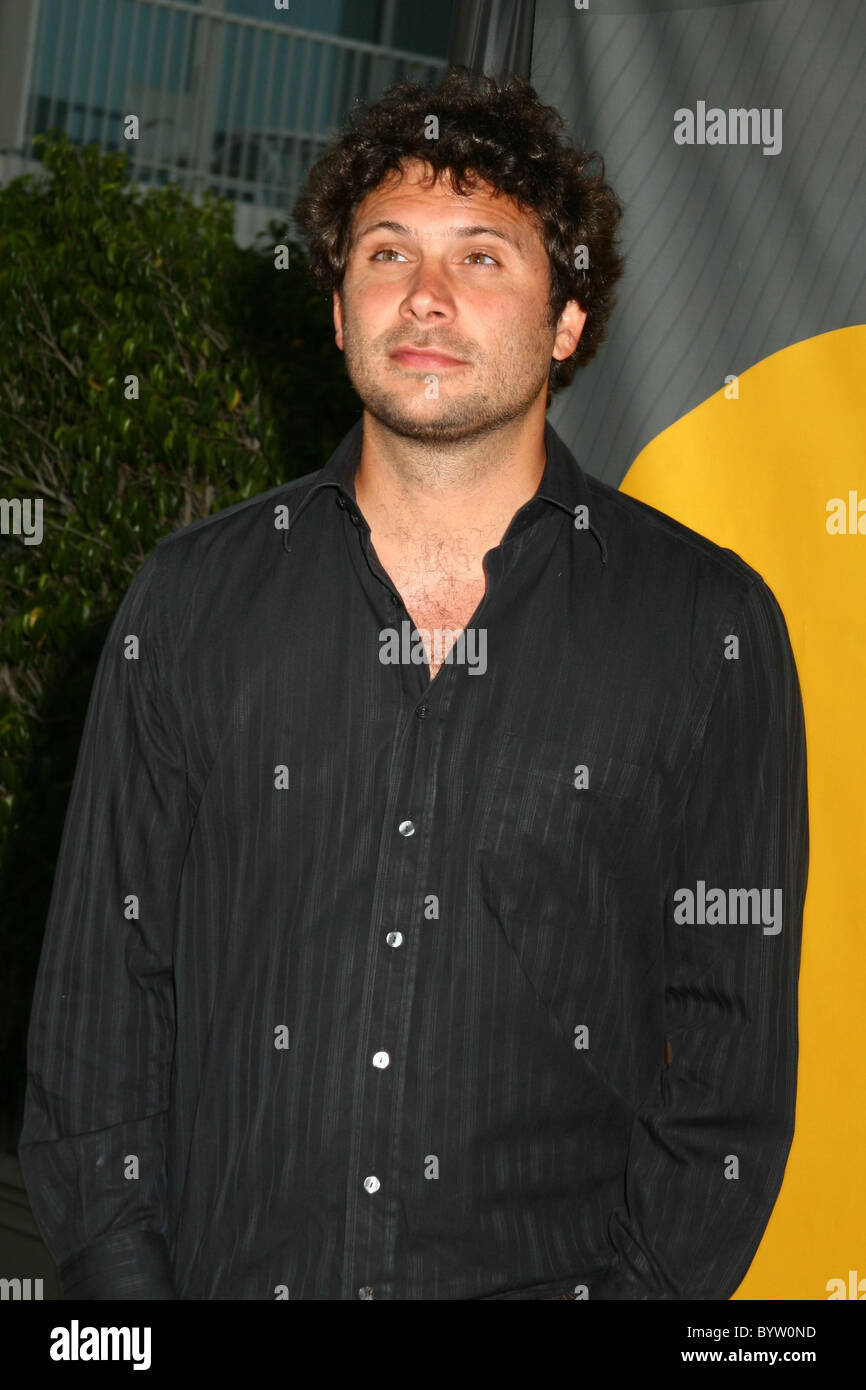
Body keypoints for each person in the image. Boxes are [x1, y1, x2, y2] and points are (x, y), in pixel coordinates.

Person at [18, 68, 808, 1301]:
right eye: (386, 252)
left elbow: (730, 1063)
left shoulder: (706, 626)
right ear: (337, 310)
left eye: (482, 256)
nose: (425, 295)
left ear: (567, 319)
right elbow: (98, 1015)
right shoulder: (190, 604)